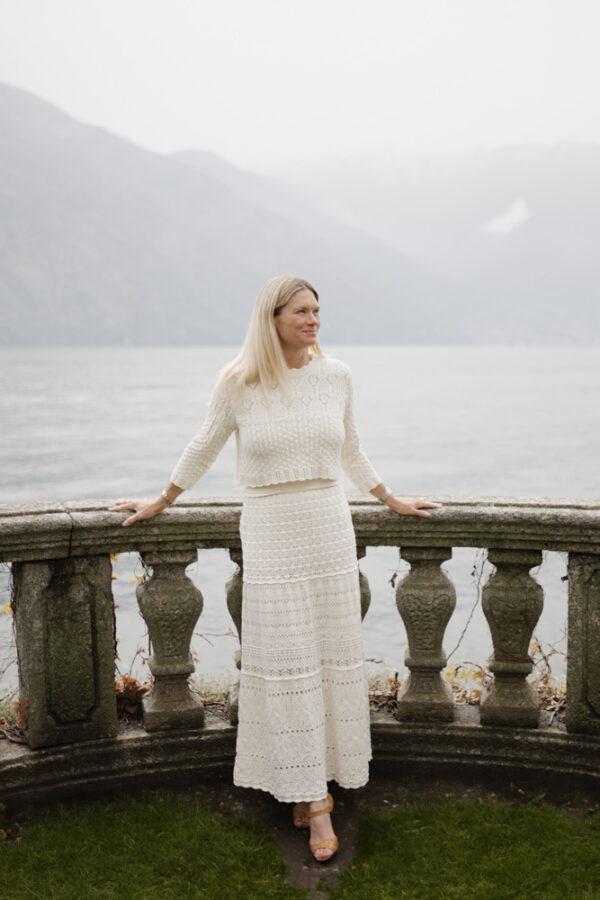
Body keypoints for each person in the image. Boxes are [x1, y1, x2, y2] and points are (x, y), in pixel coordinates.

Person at [109, 275, 441, 862]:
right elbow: (205, 444)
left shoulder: (337, 376)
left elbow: (351, 449)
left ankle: (318, 783)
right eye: (301, 310)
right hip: (270, 527)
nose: (314, 319)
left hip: (327, 524)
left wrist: (391, 499)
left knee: (331, 655)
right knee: (287, 661)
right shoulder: (238, 382)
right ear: (274, 318)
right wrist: (160, 500)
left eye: (318, 310)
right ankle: (312, 802)